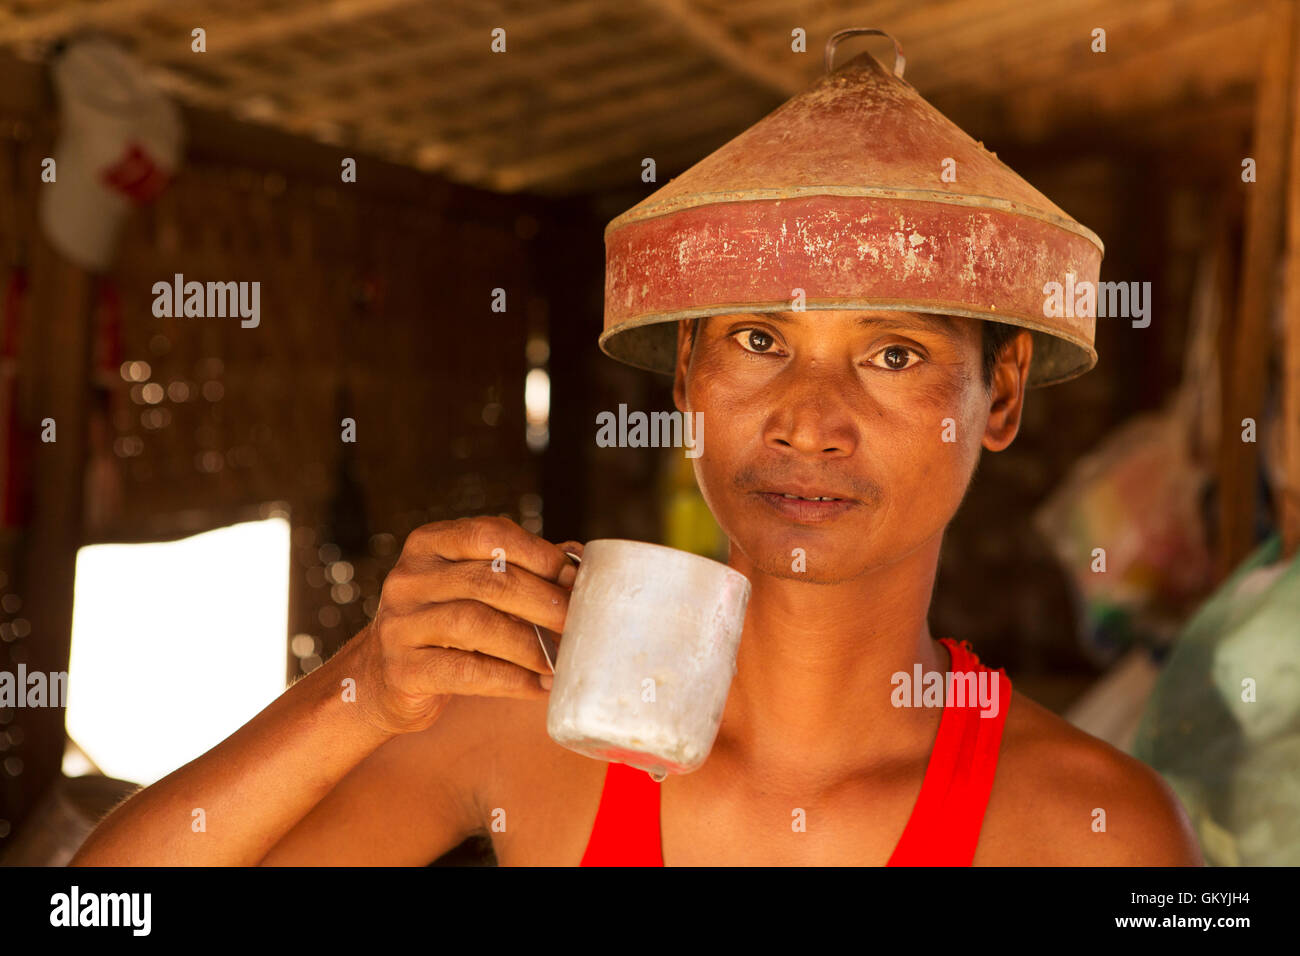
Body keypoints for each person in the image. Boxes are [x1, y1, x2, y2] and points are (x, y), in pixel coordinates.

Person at [70, 37, 1202, 866]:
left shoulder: (1091, 829)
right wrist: (362, 688)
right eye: (760, 339)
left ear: (998, 395)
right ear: (683, 378)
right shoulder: (524, 726)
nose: (809, 417)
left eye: (894, 353)